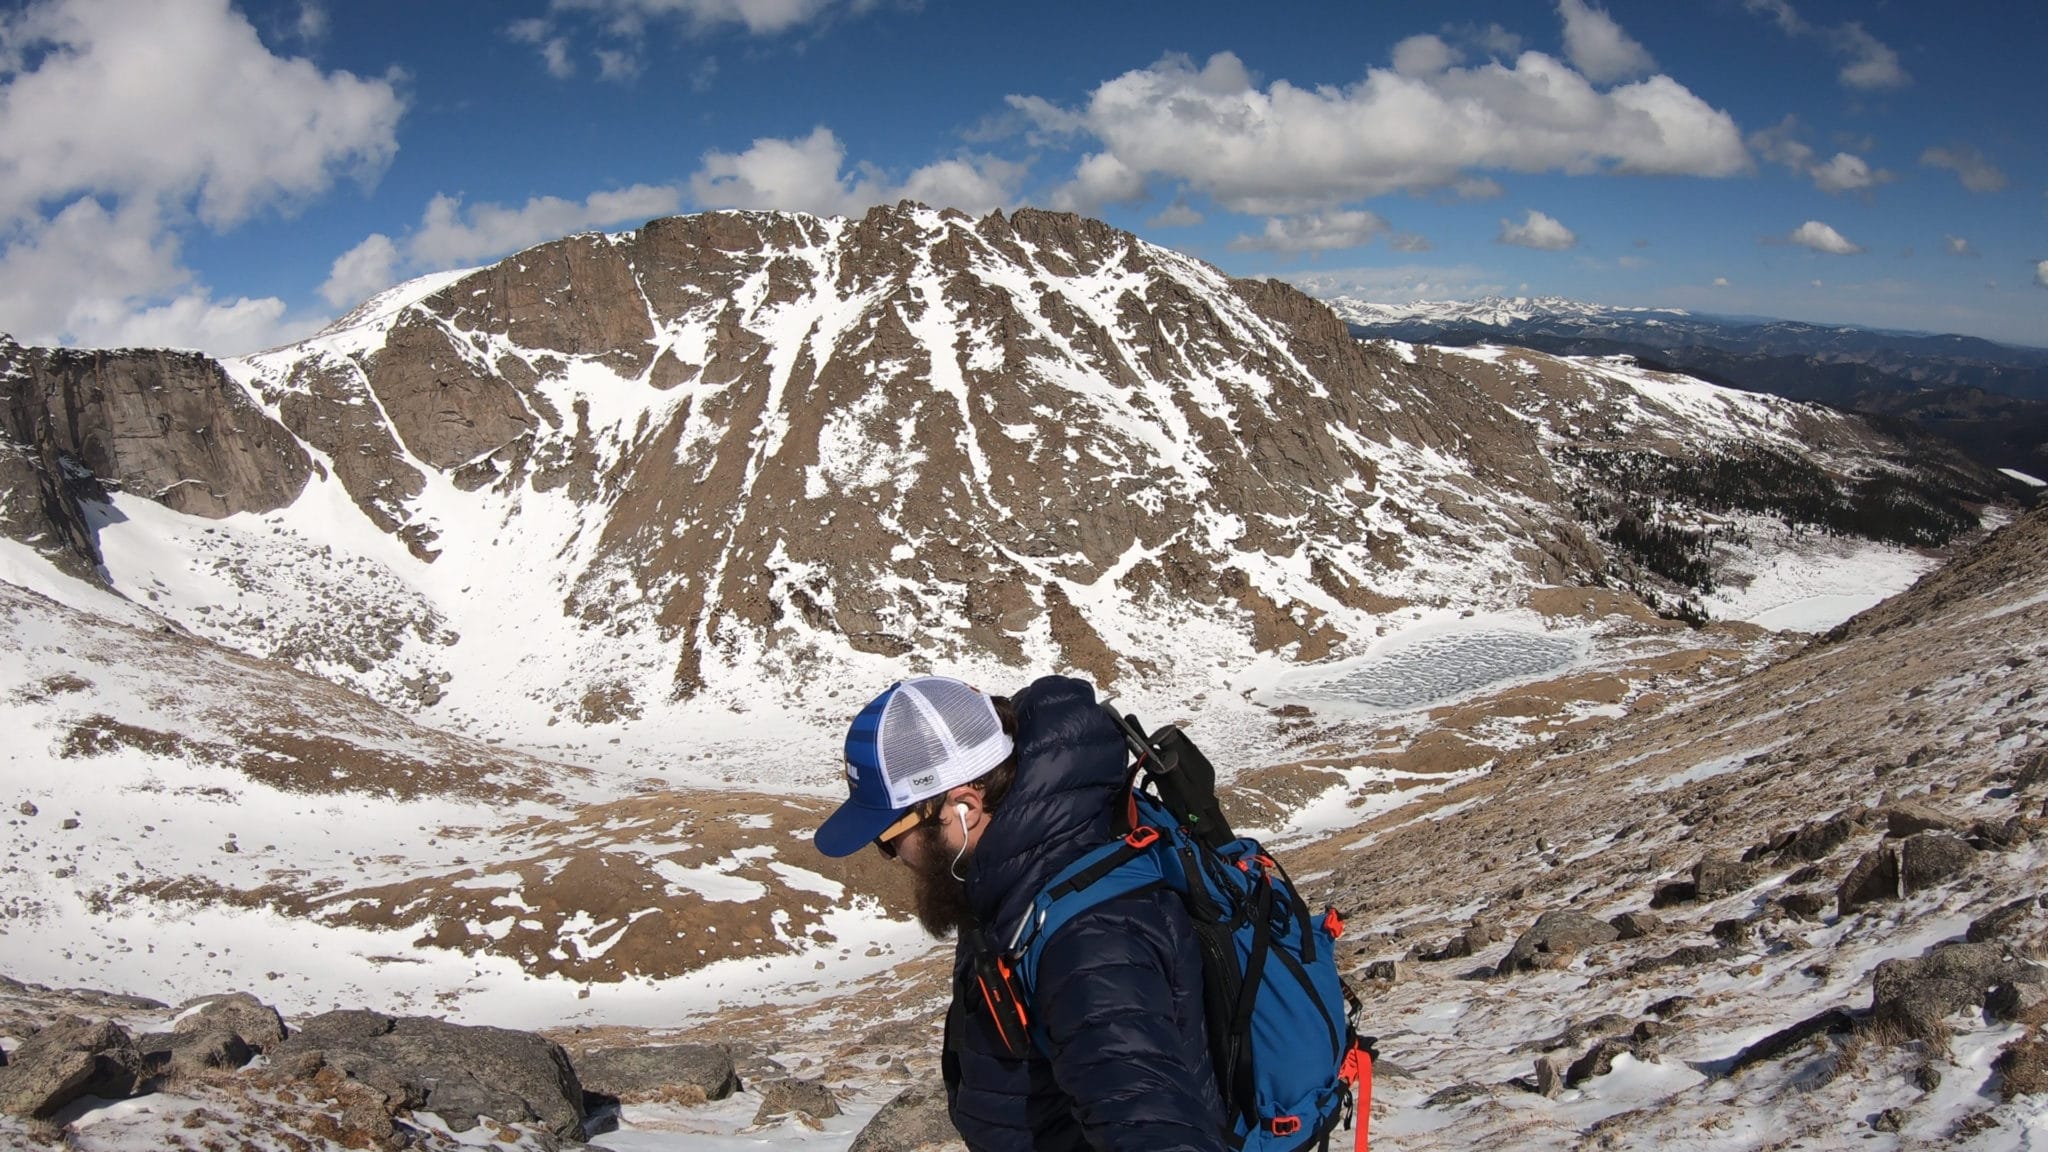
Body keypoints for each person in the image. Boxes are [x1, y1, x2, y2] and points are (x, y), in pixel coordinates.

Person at [814, 674, 1226, 1152]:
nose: (891, 855)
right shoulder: (1008, 881)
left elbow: (1153, 1128)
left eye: (888, 835)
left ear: (965, 806)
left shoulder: (1087, 941)